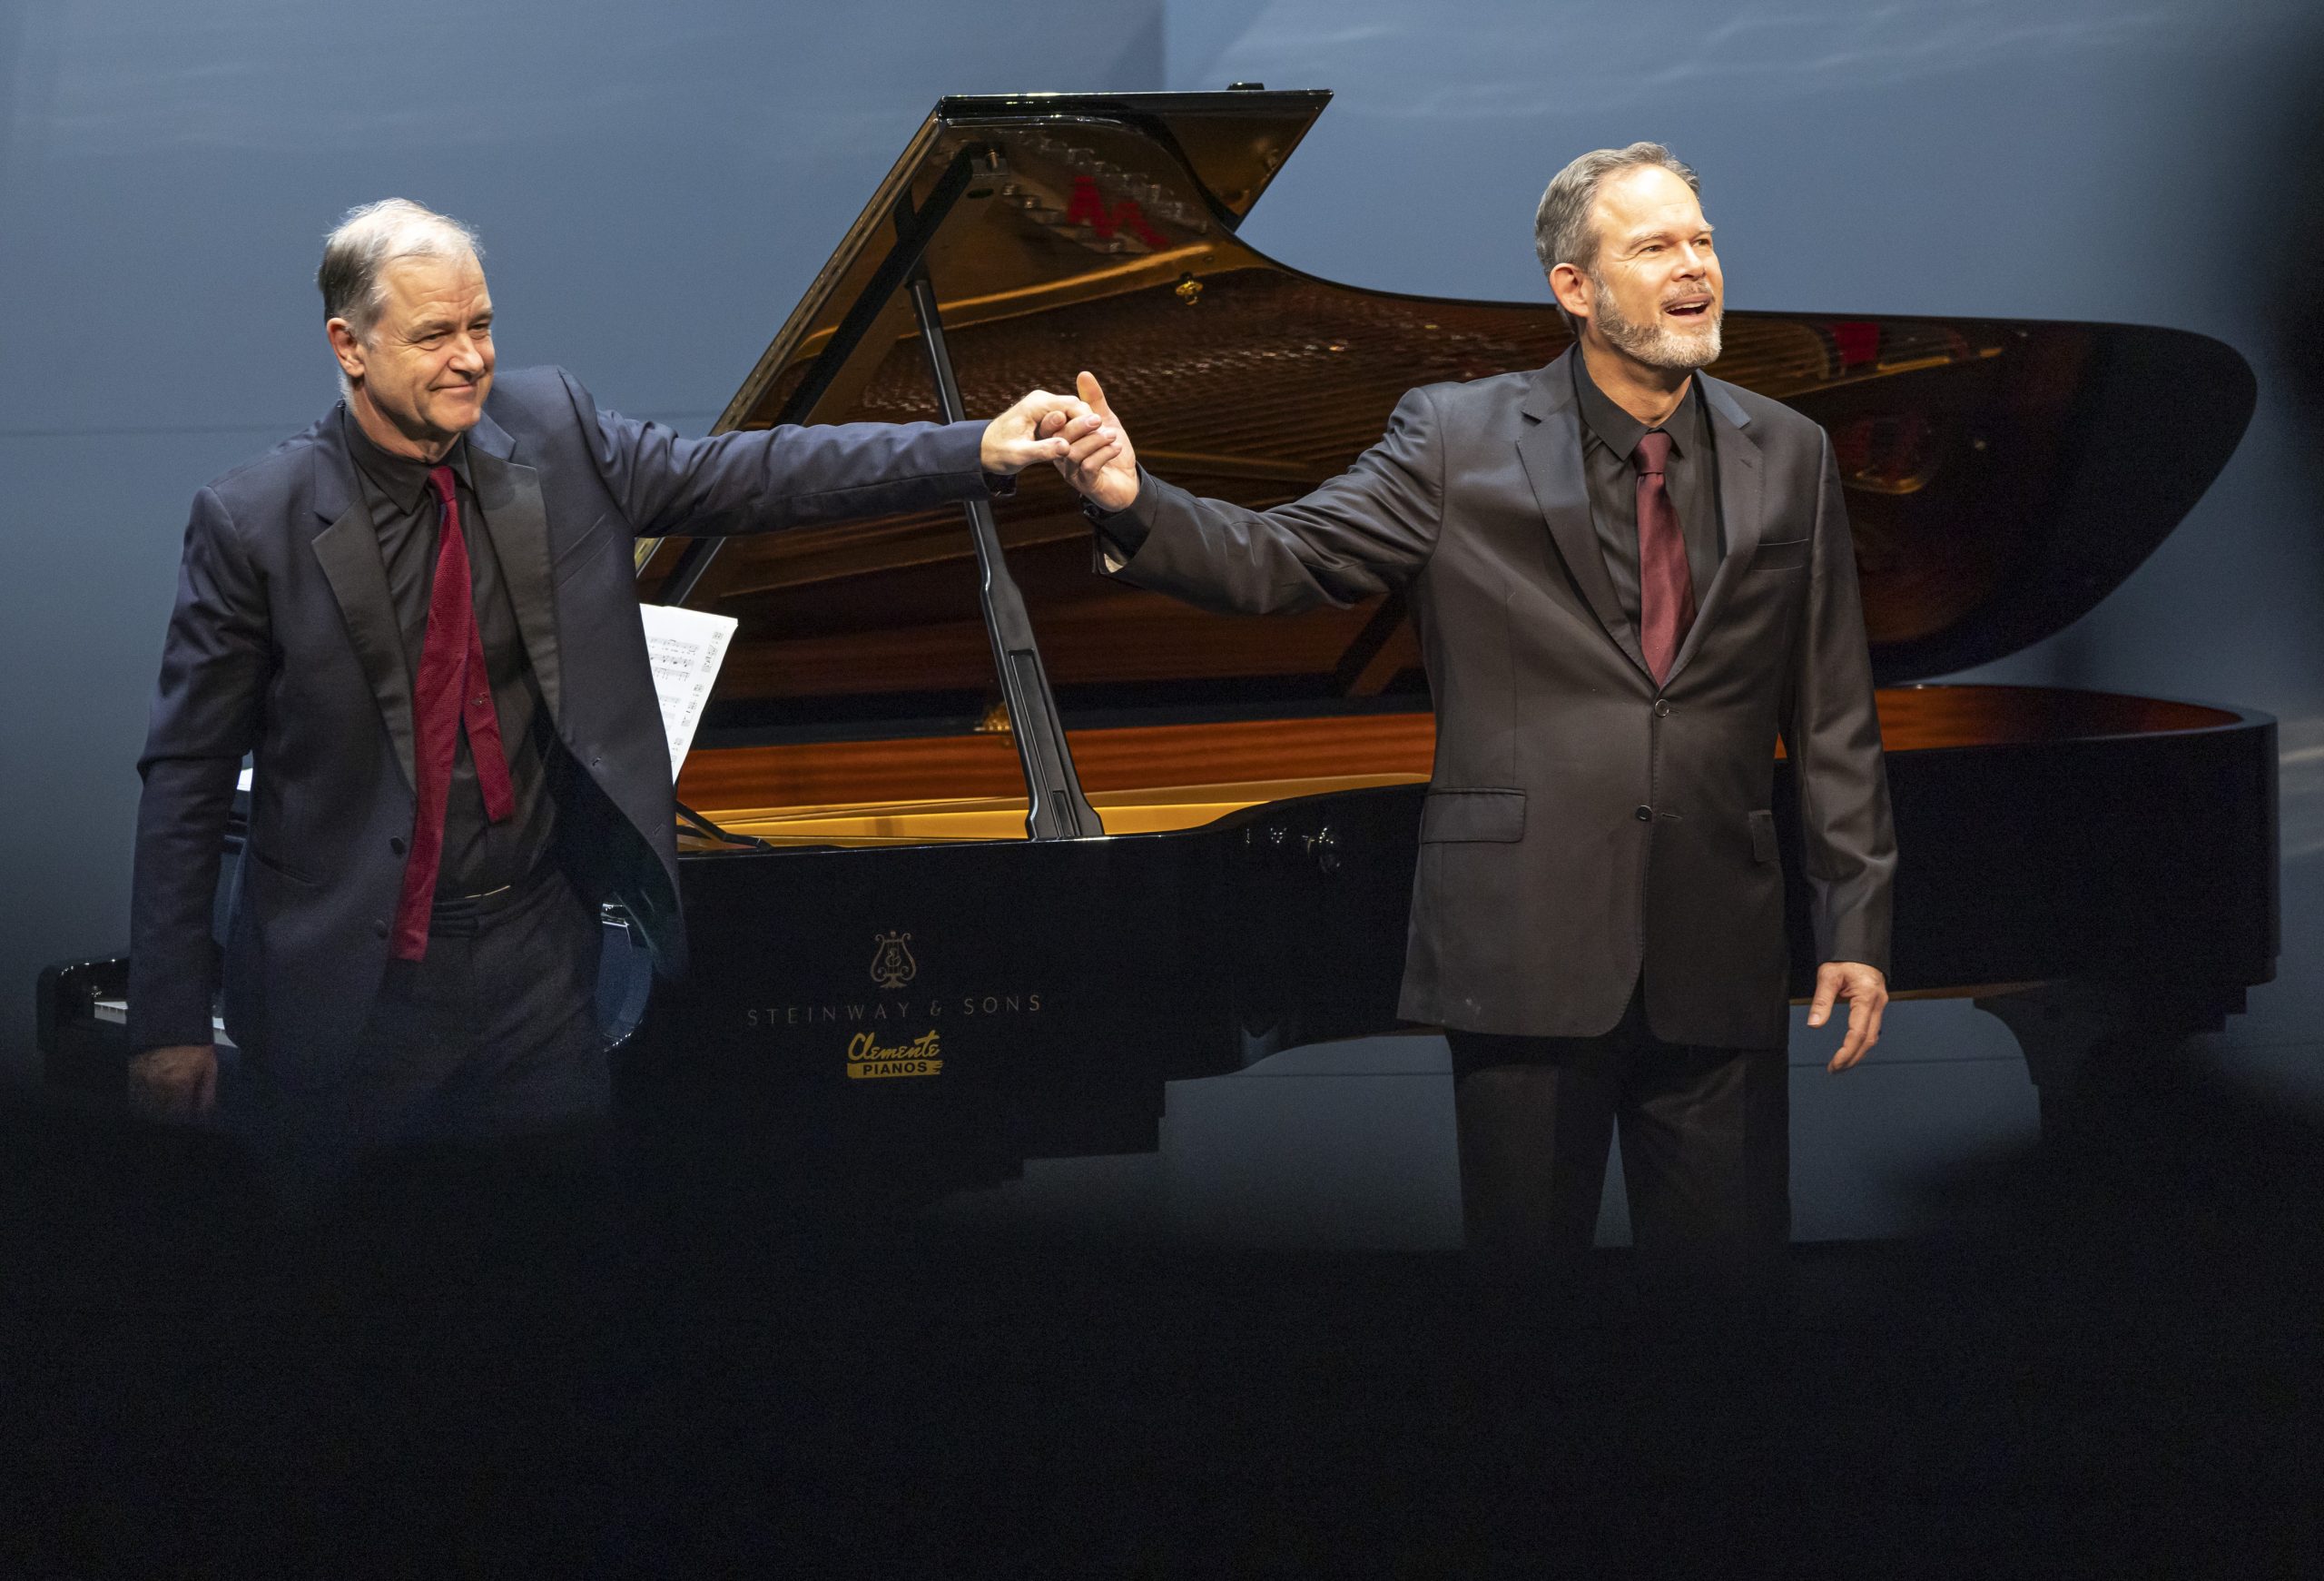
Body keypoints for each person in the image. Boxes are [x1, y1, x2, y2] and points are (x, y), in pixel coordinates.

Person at [1048, 143, 1895, 1303]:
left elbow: (1833, 706)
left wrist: (1853, 918)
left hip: (1719, 943)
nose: (1693, 268)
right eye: (1654, 248)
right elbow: (1280, 557)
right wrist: (1133, 502)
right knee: (1523, 1319)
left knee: (1731, 1318)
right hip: (1523, 943)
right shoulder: (1456, 439)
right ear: (1575, 288)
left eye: (1701, 241)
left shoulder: (1788, 452)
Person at [125, 198, 1102, 1185]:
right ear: (350, 345)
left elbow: (752, 476)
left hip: (536, 972)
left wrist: (973, 451)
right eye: (434, 336)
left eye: (481, 326)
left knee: (555, 1286)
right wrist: (168, 1022)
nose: (470, 358)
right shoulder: (255, 521)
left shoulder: (553, 428)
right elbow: (186, 779)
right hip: (350, 990)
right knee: (353, 1306)